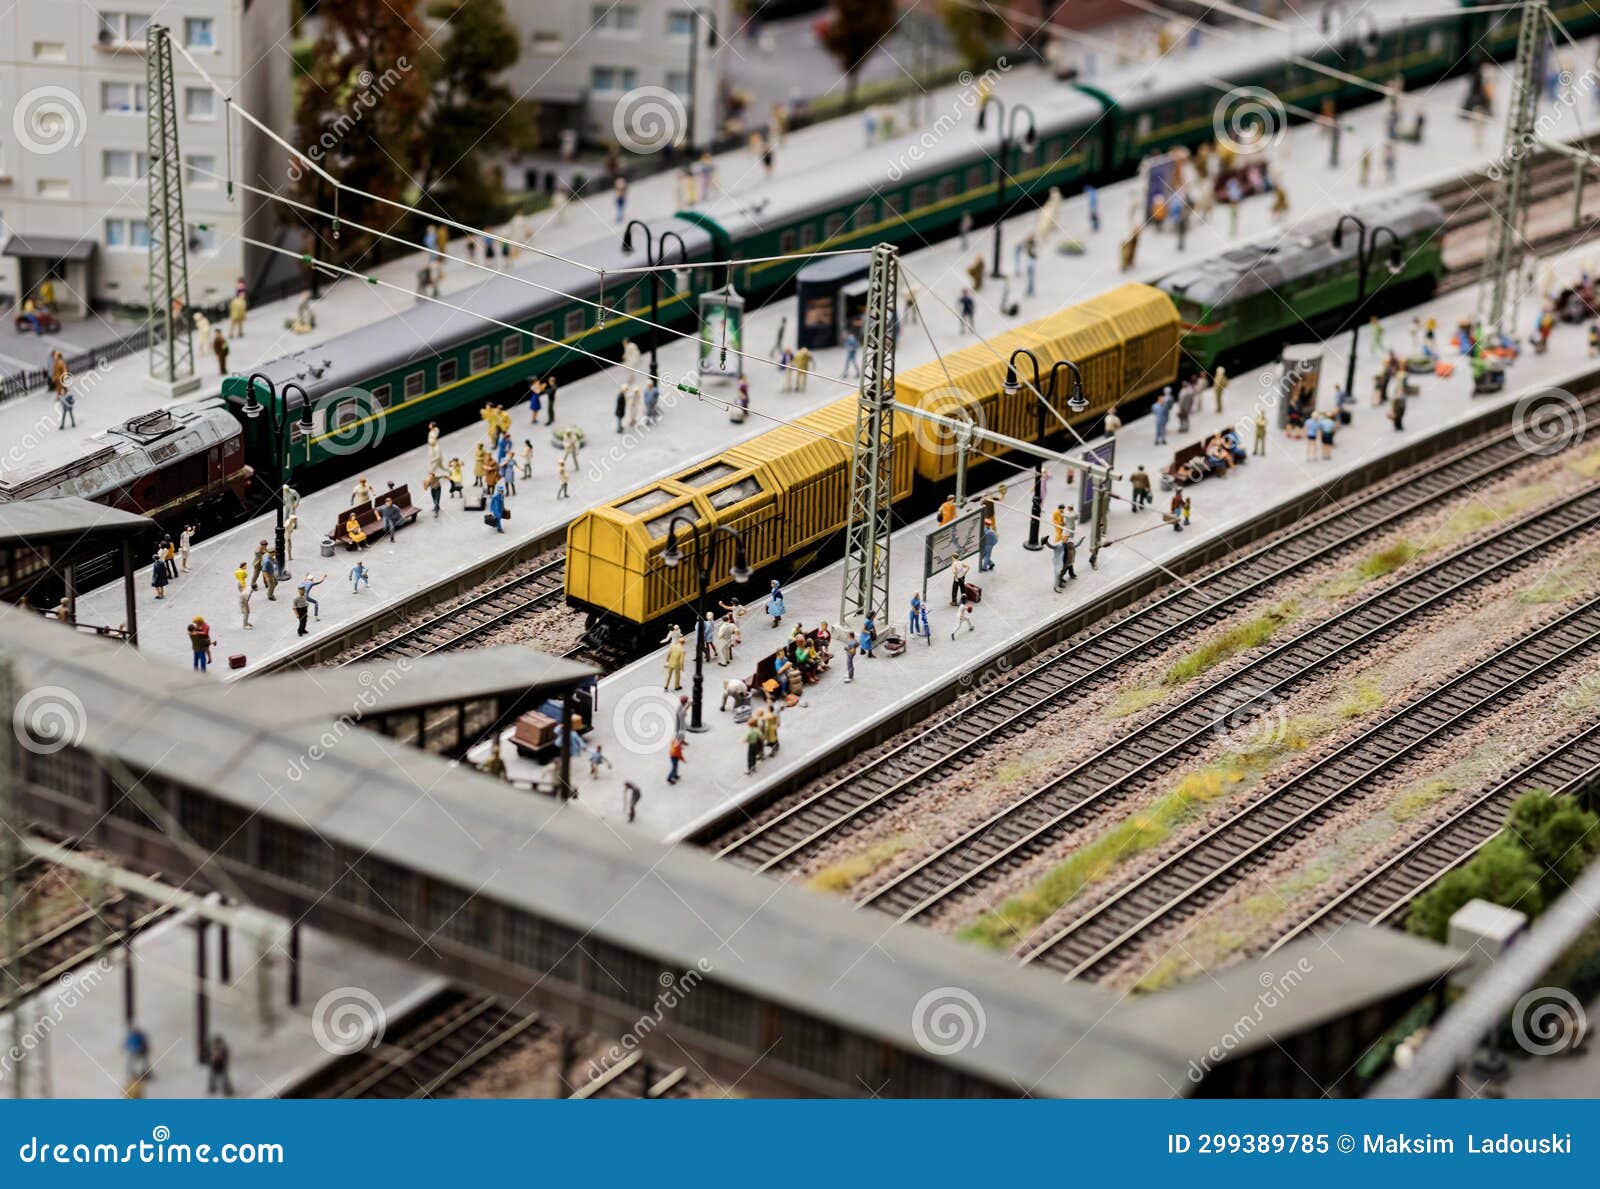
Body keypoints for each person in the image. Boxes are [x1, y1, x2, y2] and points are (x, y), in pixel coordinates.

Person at [662, 626, 686, 691]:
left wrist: (667, 661)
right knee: (677, 676)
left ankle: (666, 686)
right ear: (683, 643)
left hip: (670, 663)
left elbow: (668, 655)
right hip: (677, 665)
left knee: (669, 675)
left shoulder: (673, 647)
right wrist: (682, 667)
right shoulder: (682, 650)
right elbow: (681, 661)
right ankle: (677, 686)